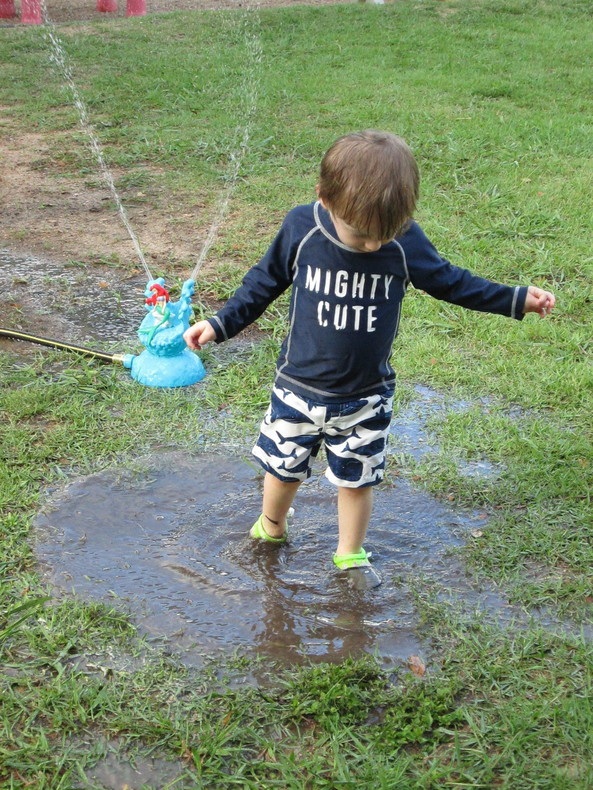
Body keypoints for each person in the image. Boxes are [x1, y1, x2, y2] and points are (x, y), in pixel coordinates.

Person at [184, 130, 555, 588]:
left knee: (357, 480)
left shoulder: (402, 241)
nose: (375, 247)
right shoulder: (302, 228)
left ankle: (350, 554)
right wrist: (220, 324)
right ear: (324, 198)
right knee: (281, 468)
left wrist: (515, 299)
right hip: (297, 389)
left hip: (366, 396)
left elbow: (450, 282)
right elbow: (262, 283)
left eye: (386, 234)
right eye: (362, 235)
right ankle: (272, 525)